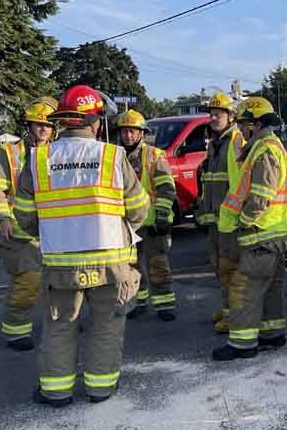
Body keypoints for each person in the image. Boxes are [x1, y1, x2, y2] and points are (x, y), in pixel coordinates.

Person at [15, 85, 149, 407]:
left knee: (60, 326)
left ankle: (56, 392)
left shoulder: (38, 158)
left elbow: (24, 216)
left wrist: (54, 230)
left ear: (63, 121)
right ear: (95, 122)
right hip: (111, 262)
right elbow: (139, 209)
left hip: (61, 265)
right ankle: (100, 389)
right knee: (106, 325)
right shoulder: (113, 156)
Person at [213, 97, 287, 361]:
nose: (242, 129)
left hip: (259, 235)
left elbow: (259, 197)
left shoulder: (265, 150)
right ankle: (273, 334)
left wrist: (243, 223)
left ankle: (241, 344)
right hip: (272, 236)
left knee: (244, 289)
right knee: (270, 289)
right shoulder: (268, 147)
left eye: (245, 124)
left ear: (256, 124)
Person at [0, 97, 57, 351]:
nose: (43, 129)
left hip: (55, 231)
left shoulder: (60, 152)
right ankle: (16, 331)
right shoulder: (10, 153)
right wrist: (2, 218)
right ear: (29, 125)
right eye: (38, 124)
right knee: (28, 281)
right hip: (21, 231)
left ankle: (61, 324)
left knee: (61, 282)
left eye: (47, 125)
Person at [116, 109, 178, 321]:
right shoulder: (114, 157)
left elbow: (167, 189)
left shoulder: (154, 156)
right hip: (127, 223)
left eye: (133, 132)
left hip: (153, 222)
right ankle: (137, 302)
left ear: (141, 133)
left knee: (158, 264)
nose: (128, 136)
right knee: (130, 267)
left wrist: (162, 215)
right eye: (125, 132)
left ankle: (164, 305)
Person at [195, 93, 245, 334]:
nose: (213, 118)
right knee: (218, 267)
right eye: (211, 114)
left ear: (230, 116)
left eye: (218, 114)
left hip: (230, 219)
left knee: (230, 269)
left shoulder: (236, 141)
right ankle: (227, 309)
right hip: (215, 219)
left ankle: (235, 315)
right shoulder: (215, 143)